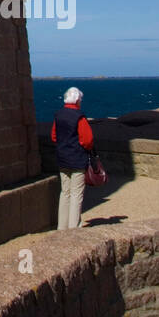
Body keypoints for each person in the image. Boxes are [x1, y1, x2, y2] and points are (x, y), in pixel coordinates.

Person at [51, 86, 95, 229]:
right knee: (76, 194)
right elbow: (87, 140)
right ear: (77, 100)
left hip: (62, 159)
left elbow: (54, 136)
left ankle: (62, 227)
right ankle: (74, 227)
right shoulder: (79, 117)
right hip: (77, 159)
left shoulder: (58, 115)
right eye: (80, 100)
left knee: (65, 193)